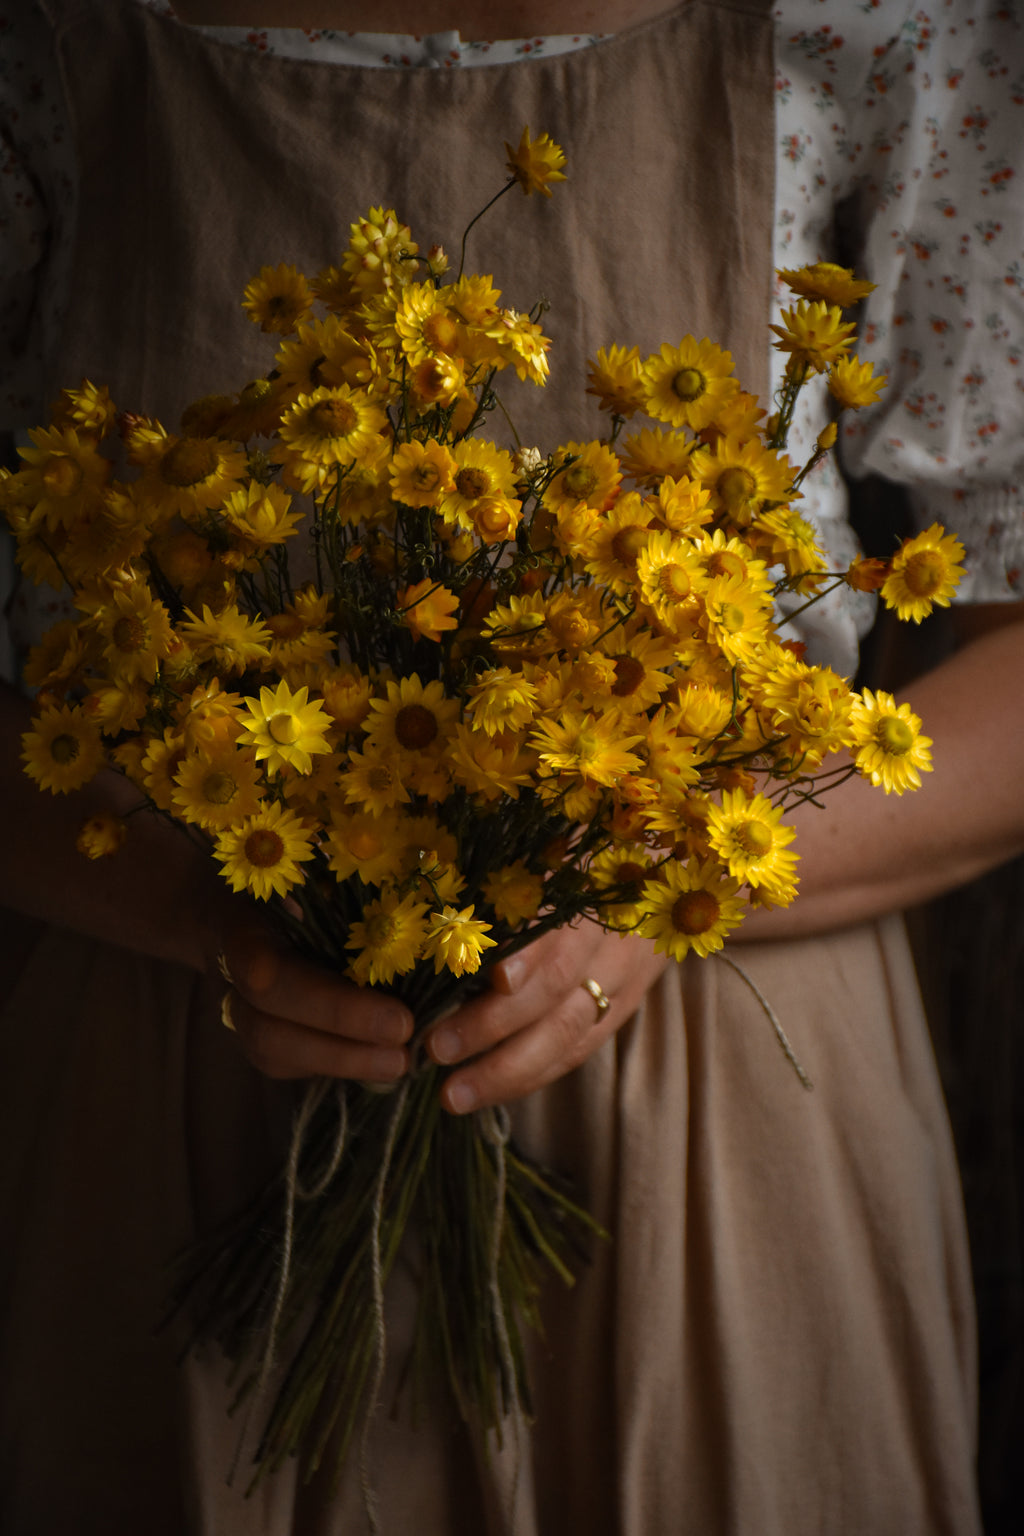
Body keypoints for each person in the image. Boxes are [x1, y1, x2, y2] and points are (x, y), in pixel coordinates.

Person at [0, 2, 1021, 1531]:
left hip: (729, 1124)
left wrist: (667, 883)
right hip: (169, 1089)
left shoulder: (883, 17)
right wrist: (211, 918)